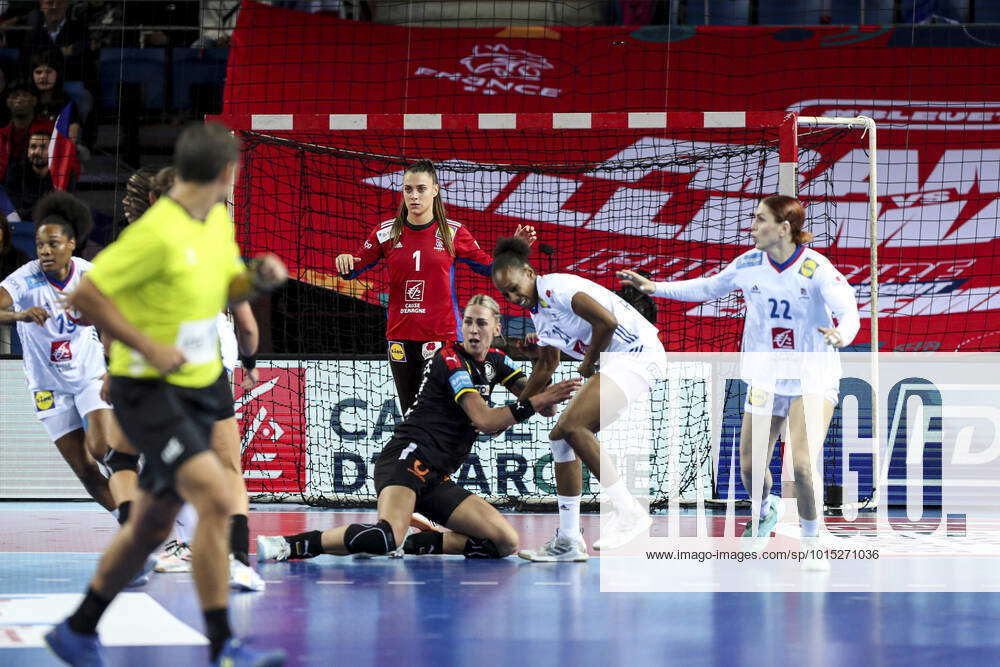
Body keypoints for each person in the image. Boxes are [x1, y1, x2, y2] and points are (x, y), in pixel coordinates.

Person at [45, 122, 287, 666]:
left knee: (153, 523)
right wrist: (146, 346)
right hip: (150, 388)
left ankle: (77, 629)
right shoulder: (156, 233)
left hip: (199, 386)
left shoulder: (217, 220)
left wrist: (257, 279)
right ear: (229, 173)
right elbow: (85, 293)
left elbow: (225, 286)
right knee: (218, 496)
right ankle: (224, 646)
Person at [618, 194, 860, 571]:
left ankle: (813, 538)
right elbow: (708, 287)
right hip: (766, 376)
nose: (751, 226)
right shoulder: (749, 264)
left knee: (800, 464)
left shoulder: (816, 269)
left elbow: (850, 311)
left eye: (760, 219)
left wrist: (841, 334)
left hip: (812, 376)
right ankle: (765, 512)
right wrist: (654, 288)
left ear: (784, 228)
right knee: (748, 465)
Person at [257, 295, 580, 562]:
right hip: (405, 462)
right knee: (384, 537)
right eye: (467, 321)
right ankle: (291, 544)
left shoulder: (497, 361)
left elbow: (546, 407)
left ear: (497, 328)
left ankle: (419, 543)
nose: (472, 330)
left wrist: (543, 362)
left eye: (481, 323)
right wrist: (538, 399)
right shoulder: (449, 358)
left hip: (436, 478)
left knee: (504, 542)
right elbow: (484, 420)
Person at [126, 164, 264, 591]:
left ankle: (142, 554)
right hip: (210, 368)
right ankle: (238, 558)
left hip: (161, 372)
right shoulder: (215, 245)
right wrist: (248, 362)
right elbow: (248, 325)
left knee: (158, 465)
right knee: (227, 468)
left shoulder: (143, 248)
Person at [491, 237, 667, 560]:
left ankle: (629, 511)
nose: (514, 298)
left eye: (515, 288)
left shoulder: (556, 288)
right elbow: (546, 366)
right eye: (506, 295)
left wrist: (587, 363)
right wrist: (511, 414)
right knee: (560, 438)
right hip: (619, 362)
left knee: (573, 427)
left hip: (638, 355)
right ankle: (570, 540)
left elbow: (607, 322)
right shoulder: (539, 316)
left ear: (529, 273)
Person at [336, 158, 535, 414]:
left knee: (447, 414)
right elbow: (354, 269)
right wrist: (345, 262)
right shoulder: (384, 233)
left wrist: (513, 252)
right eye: (408, 189)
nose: (414, 196)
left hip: (443, 338)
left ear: (435, 190)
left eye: (420, 188)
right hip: (400, 338)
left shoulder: (453, 232)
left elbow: (489, 267)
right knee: (411, 415)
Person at [0, 191, 142, 544]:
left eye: (52, 243)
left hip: (89, 377)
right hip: (47, 389)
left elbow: (118, 317)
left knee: (100, 447)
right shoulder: (25, 278)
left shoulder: (90, 276)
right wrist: (19, 314)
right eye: (39, 244)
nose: (44, 251)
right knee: (87, 473)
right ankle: (131, 526)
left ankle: (143, 509)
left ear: (71, 244)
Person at [0, 84, 50, 183]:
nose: (19, 100)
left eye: (25, 96)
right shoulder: (1, 134)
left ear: (34, 100)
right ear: (8, 102)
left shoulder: (50, 129)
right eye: (15, 96)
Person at [6, 127, 57, 219]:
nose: (37, 152)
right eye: (33, 147)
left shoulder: (60, 174)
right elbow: (15, 209)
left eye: (43, 147)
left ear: (52, 149)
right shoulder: (15, 172)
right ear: (28, 151)